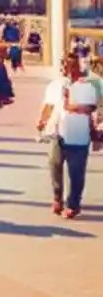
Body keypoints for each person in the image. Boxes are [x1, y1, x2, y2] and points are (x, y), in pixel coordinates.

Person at [36, 55, 100, 219]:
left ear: (78, 67)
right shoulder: (56, 85)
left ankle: (73, 204)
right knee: (55, 165)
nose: (67, 69)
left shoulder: (88, 86)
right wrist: (42, 121)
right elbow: (48, 105)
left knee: (76, 172)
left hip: (79, 135)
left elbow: (91, 107)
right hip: (59, 133)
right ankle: (58, 198)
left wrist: (73, 107)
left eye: (70, 66)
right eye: (64, 66)